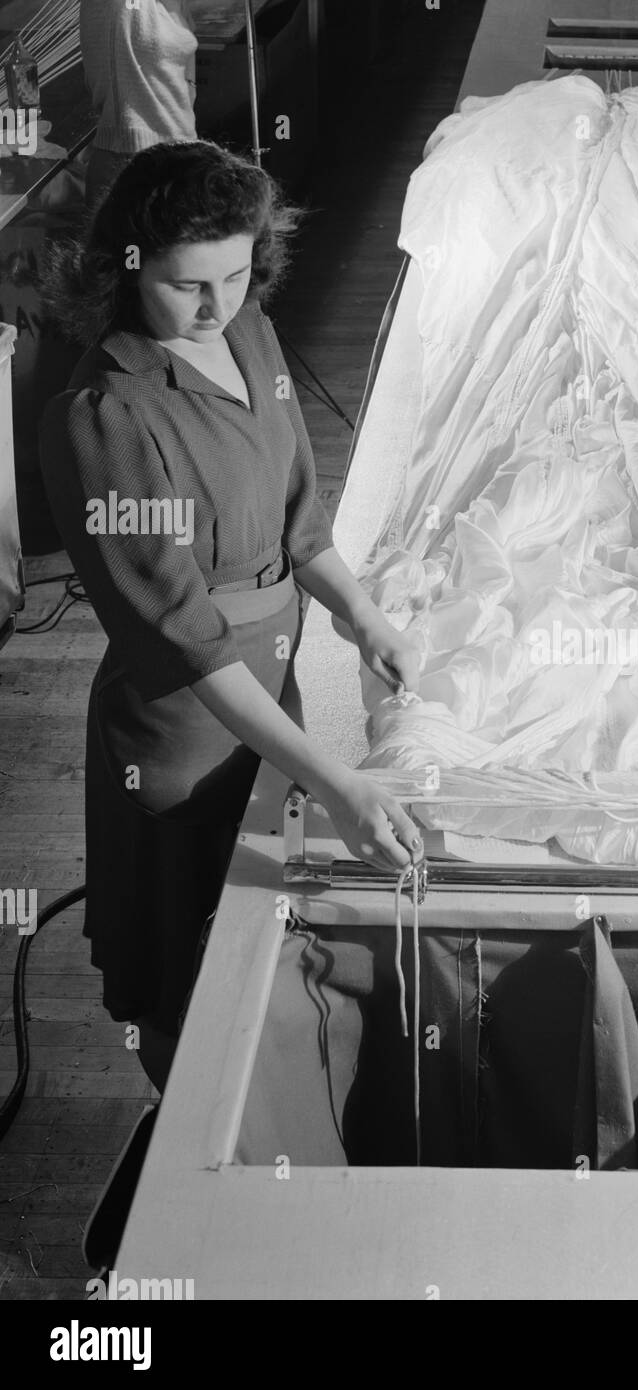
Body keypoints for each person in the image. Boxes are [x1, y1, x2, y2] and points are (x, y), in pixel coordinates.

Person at [38, 141, 423, 1090]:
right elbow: (182, 638)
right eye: (185, 286)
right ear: (126, 269)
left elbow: (299, 521)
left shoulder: (249, 333)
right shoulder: (105, 415)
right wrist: (335, 779)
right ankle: (182, 1141)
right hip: (181, 726)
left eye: (238, 273)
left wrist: (363, 618)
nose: (215, 308)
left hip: (270, 695)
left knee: (253, 927)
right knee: (178, 967)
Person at [79, 0, 199, 209]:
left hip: (182, 159)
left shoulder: (175, 6)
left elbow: (186, 46)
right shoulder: (124, 8)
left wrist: (190, 83)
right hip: (131, 166)